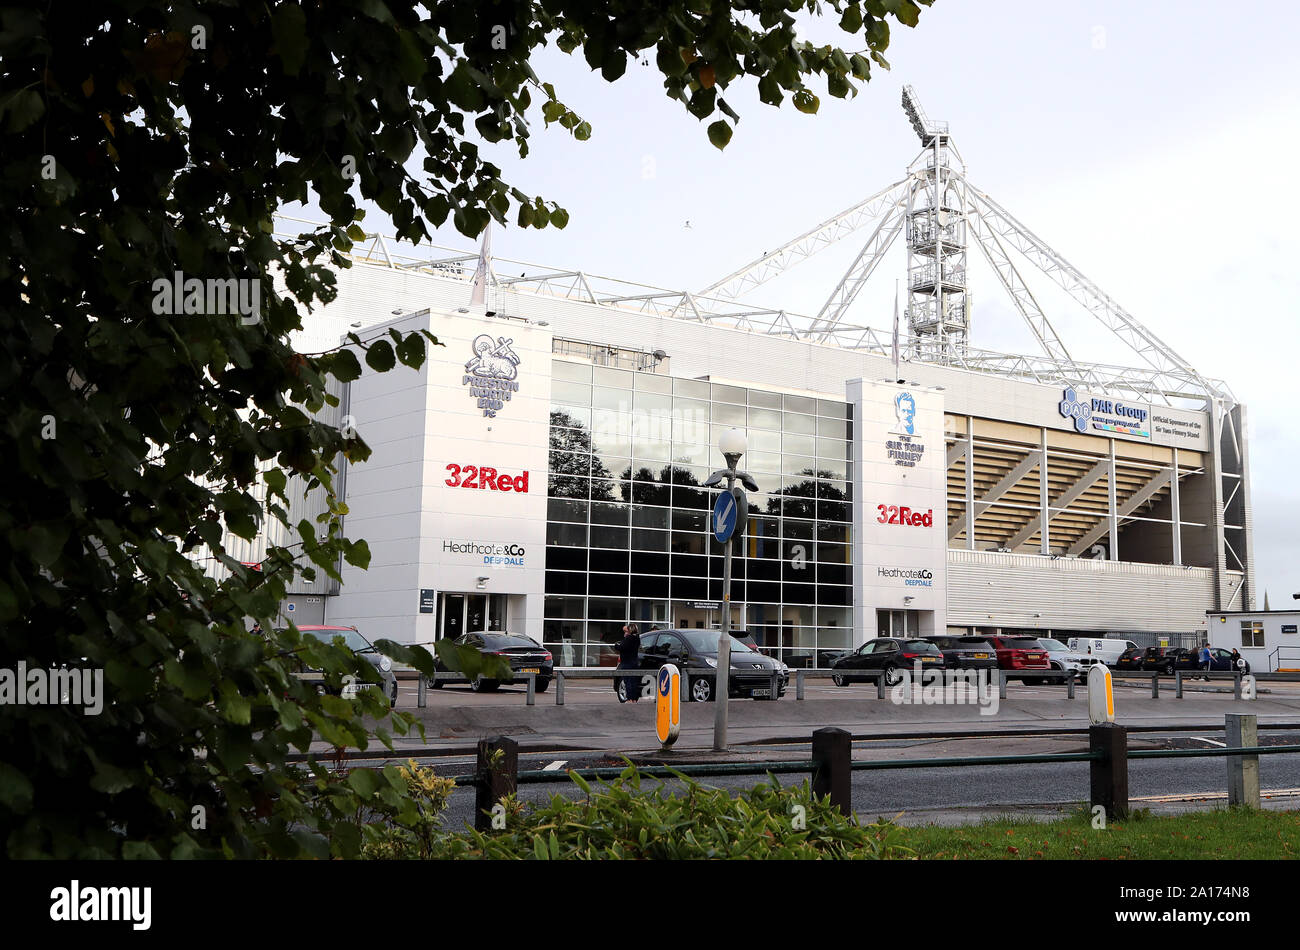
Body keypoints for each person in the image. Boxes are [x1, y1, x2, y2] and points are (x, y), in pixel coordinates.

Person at [614, 622, 641, 703]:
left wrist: (616, 645)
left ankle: (629, 698)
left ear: (630, 630)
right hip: (634, 662)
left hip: (627, 662)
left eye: (627, 631)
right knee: (633, 681)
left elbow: (622, 647)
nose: (626, 632)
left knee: (628, 681)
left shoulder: (629, 639)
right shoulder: (637, 638)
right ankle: (634, 699)